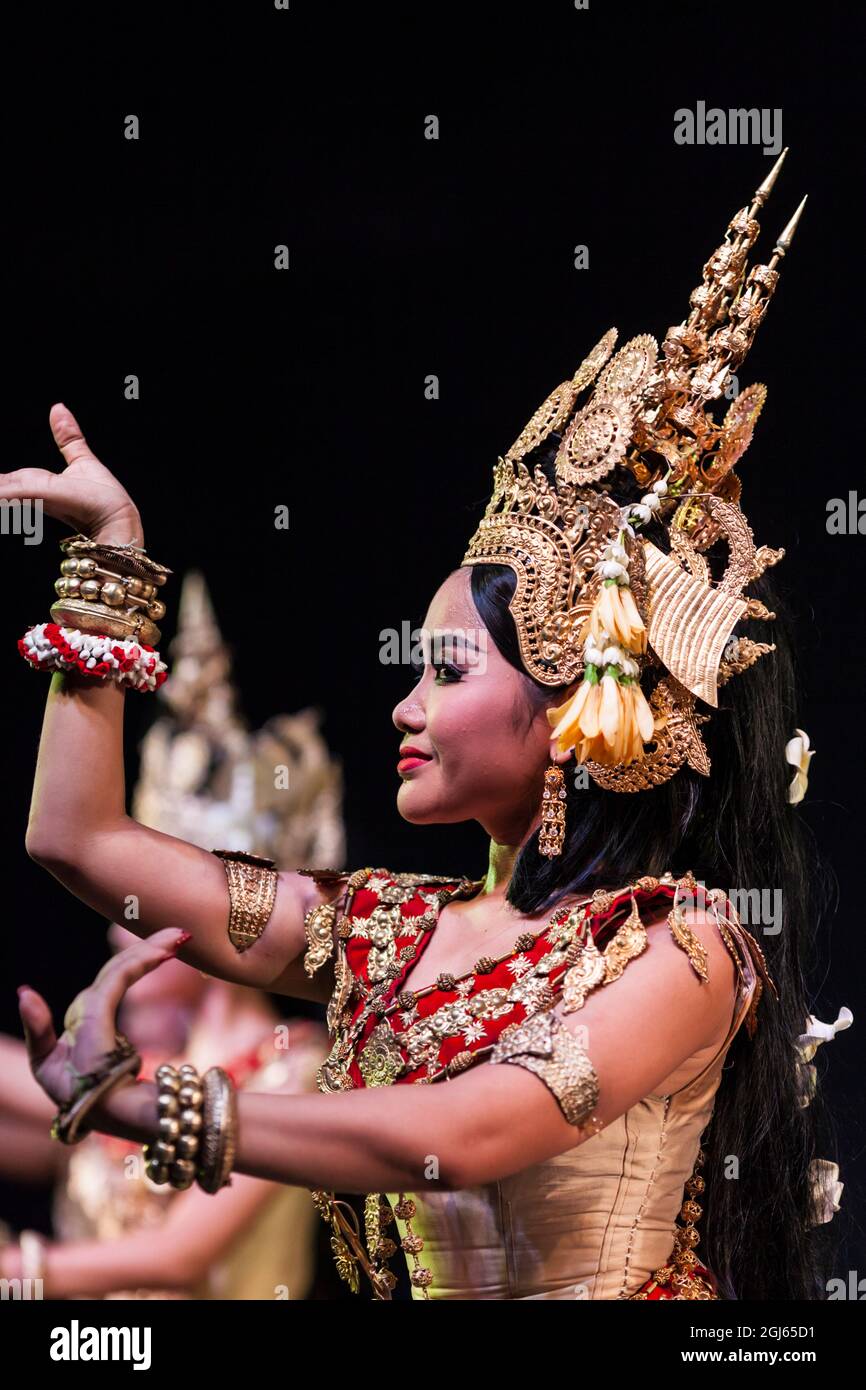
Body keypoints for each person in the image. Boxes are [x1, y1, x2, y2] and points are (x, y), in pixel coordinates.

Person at [5, 151, 850, 1301]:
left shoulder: (682, 949)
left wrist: (152, 1101)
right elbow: (80, 840)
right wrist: (106, 566)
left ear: (568, 708)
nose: (403, 703)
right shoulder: (384, 929)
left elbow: (448, 1134)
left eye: (445, 672)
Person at [0, 923, 328, 1299]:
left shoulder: (295, 1071)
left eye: (139, 922)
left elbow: (181, 1256)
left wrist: (18, 1272)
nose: (118, 934)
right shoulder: (160, 1068)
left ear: (217, 929)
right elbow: (51, 1134)